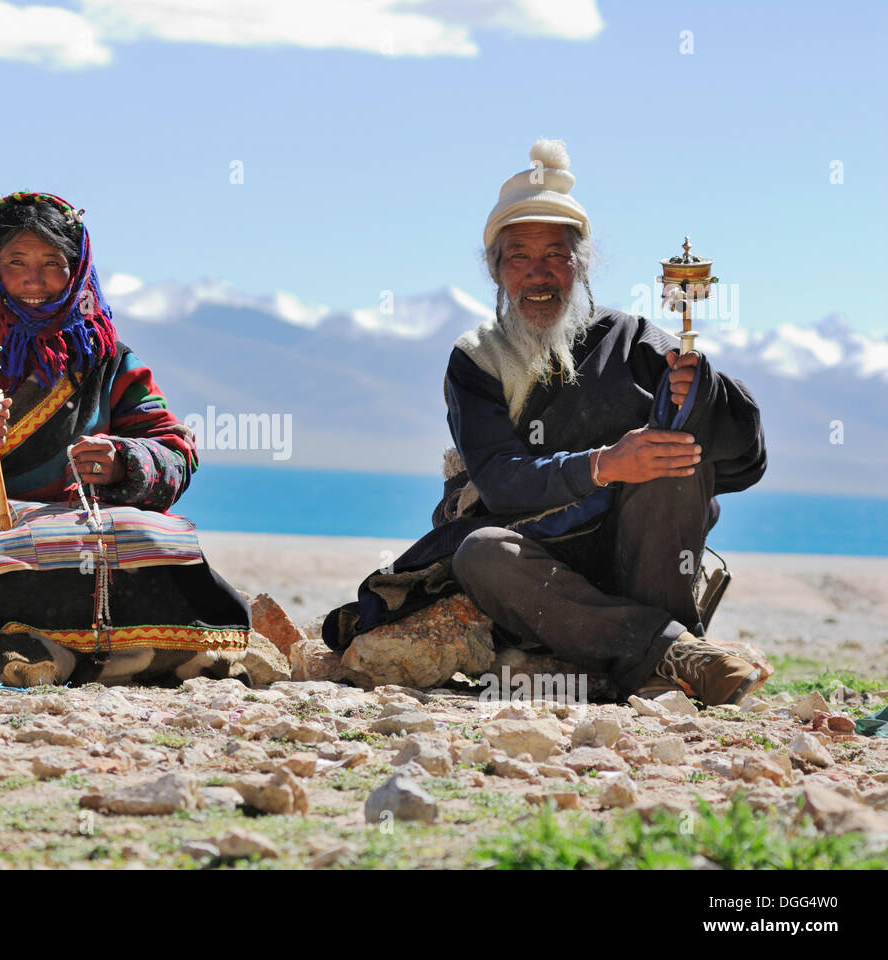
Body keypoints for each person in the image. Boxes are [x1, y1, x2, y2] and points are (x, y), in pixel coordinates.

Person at [323, 140, 767, 706]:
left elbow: (745, 464)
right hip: (537, 567)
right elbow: (503, 480)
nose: (539, 274)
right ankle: (672, 657)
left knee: (673, 457)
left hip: (640, 556)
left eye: (555, 255)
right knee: (481, 551)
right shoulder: (477, 359)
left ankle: (652, 654)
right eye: (519, 257)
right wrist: (606, 465)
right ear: (496, 271)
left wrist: (702, 394)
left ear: (581, 264)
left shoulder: (634, 340)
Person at [0, 191, 250, 686]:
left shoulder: (106, 359)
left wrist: (124, 461)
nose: (33, 279)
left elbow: (173, 449)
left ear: (77, 269)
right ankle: (107, 655)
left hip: (91, 522)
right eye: (15, 261)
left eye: (53, 263)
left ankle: (57, 652)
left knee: (160, 543)